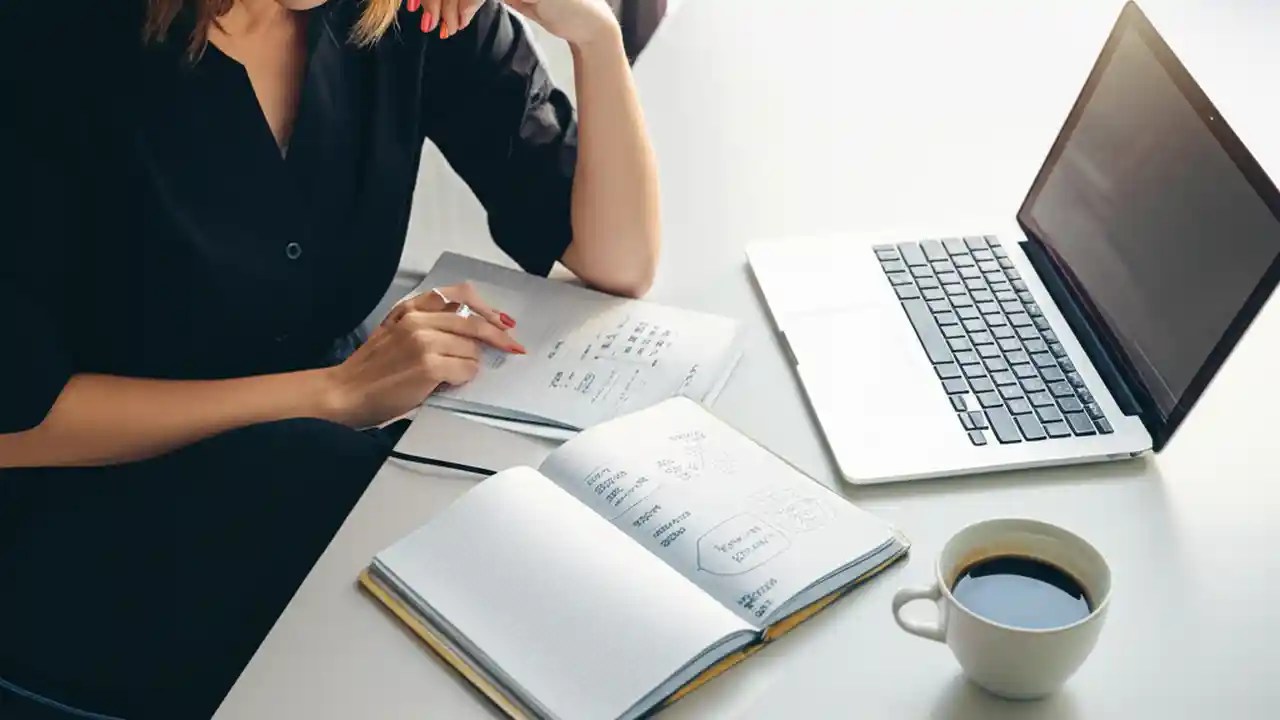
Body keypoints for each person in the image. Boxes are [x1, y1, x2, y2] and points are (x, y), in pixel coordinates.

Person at [0, 0, 659, 716]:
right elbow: (16, 422)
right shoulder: (44, 41)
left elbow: (615, 259)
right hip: (91, 528)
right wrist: (329, 392)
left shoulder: (405, 12)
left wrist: (594, 34)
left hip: (322, 470)